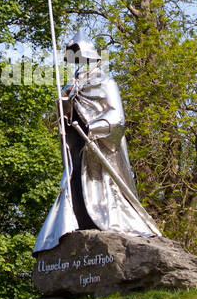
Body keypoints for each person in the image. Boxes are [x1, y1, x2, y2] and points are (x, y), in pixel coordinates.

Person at [34, 40, 160, 253]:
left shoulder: (105, 83)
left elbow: (116, 118)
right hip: (76, 149)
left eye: (81, 56)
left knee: (102, 188)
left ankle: (111, 223)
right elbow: (60, 118)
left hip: (98, 148)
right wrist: (62, 108)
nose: (78, 61)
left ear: (91, 57)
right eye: (74, 57)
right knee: (73, 187)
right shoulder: (69, 86)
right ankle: (74, 224)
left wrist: (93, 128)